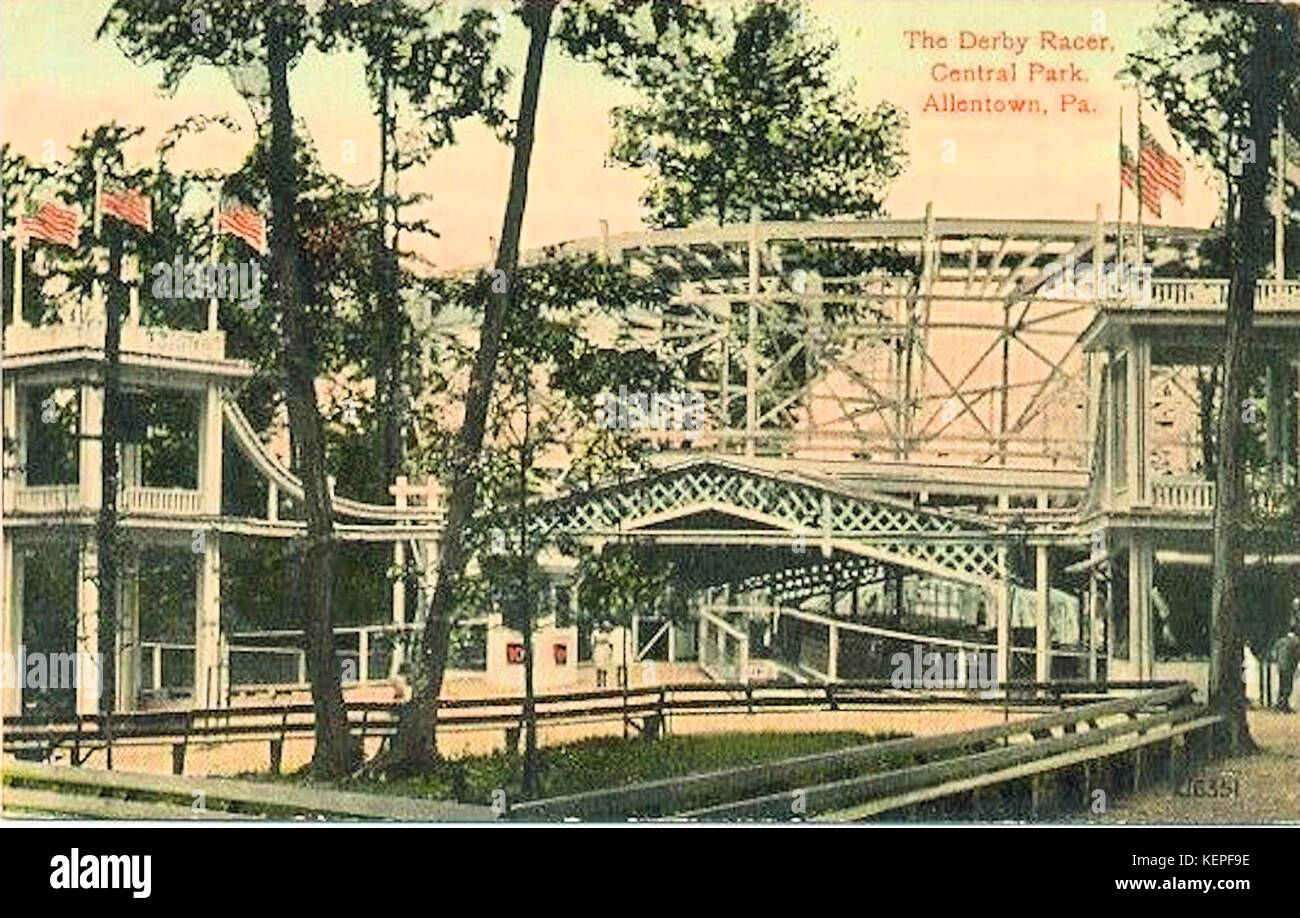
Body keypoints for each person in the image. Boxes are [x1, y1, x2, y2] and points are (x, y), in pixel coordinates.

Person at [1272, 623, 1300, 713]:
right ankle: (1283, 706)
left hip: (1280, 665)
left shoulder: (1281, 640)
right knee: (1288, 686)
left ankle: (1281, 704)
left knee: (1282, 685)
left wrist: (1278, 661)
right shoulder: (1297, 641)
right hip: (1289, 666)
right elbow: (1298, 654)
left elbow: (1274, 653)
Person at [593, 624, 613, 689]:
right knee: (598, 666)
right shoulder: (595, 633)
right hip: (599, 650)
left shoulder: (608, 635)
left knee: (605, 667)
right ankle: (598, 682)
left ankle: (604, 681)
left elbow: (611, 643)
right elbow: (593, 643)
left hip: (605, 650)